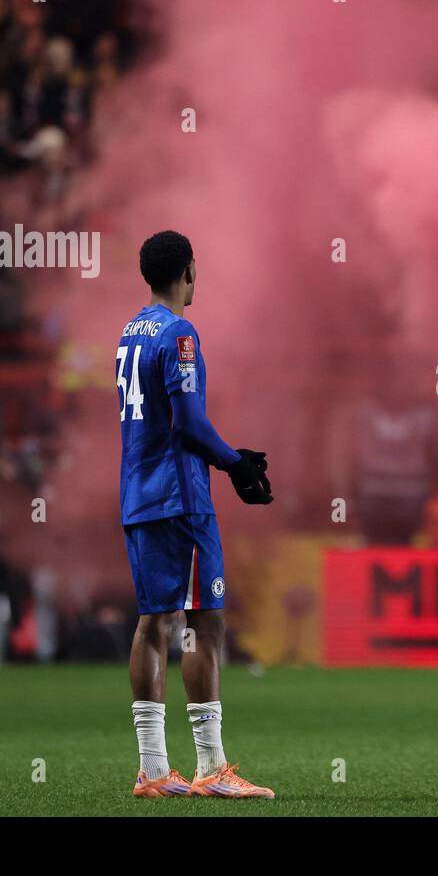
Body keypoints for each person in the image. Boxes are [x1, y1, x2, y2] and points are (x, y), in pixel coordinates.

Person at [117, 230, 275, 800]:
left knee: (153, 621)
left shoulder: (130, 332)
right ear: (189, 270)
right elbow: (186, 422)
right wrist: (235, 463)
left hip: (137, 494)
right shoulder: (180, 333)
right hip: (179, 498)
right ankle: (210, 767)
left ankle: (153, 769)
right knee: (203, 623)